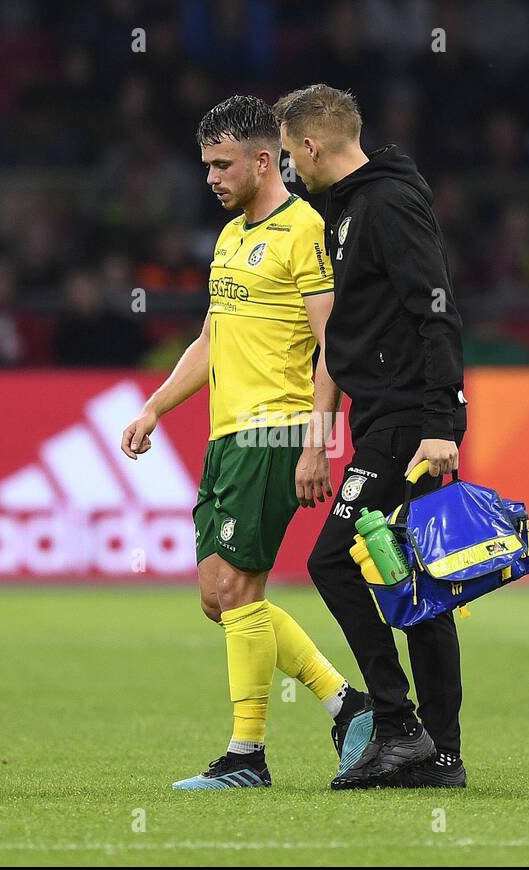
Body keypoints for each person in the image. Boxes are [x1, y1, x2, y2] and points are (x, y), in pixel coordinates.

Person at [119, 95, 372, 790]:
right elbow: (211, 339)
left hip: (279, 428)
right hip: (227, 434)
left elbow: (334, 348)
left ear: (265, 159)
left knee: (235, 586)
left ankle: (246, 755)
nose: (210, 177)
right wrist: (156, 407)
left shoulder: (304, 231)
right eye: (205, 164)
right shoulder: (231, 238)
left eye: (221, 163)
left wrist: (316, 442)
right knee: (220, 596)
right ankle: (347, 704)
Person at [275, 84, 468, 789]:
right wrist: (321, 437)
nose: (289, 169)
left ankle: (398, 727)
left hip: (410, 423)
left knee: (334, 560)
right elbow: (343, 342)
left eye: (290, 152)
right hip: (381, 420)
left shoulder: (386, 204)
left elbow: (437, 311)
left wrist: (443, 426)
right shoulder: (348, 211)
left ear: (312, 145)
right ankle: (440, 756)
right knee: (413, 584)